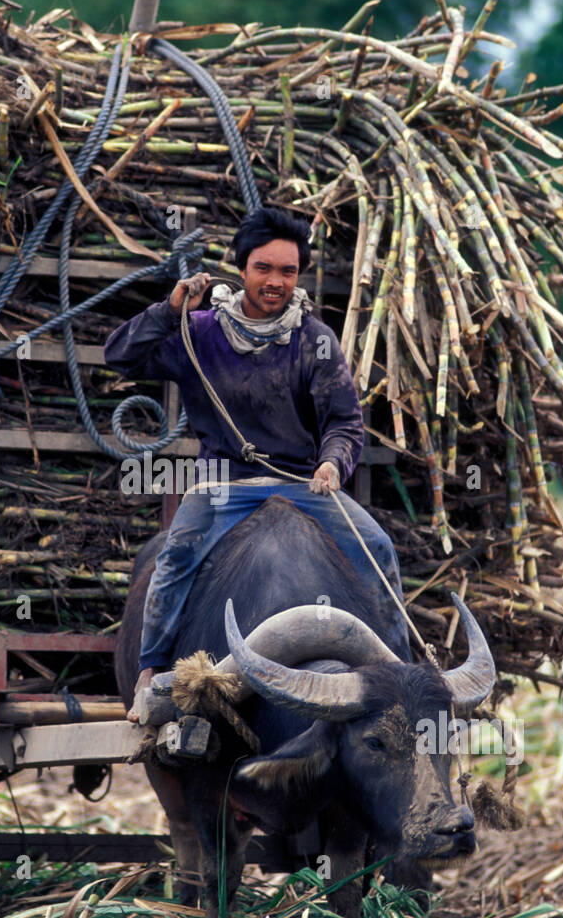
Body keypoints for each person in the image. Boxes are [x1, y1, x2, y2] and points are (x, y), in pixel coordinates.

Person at [103, 205, 410, 721]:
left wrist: (333, 463)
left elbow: (345, 422)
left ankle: (400, 678)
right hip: (222, 483)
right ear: (241, 268)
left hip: (300, 484)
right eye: (264, 268)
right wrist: (170, 307)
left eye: (288, 271)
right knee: (174, 556)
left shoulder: (314, 340)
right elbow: (119, 355)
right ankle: (150, 675)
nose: (275, 282)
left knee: (377, 547)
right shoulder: (199, 332)